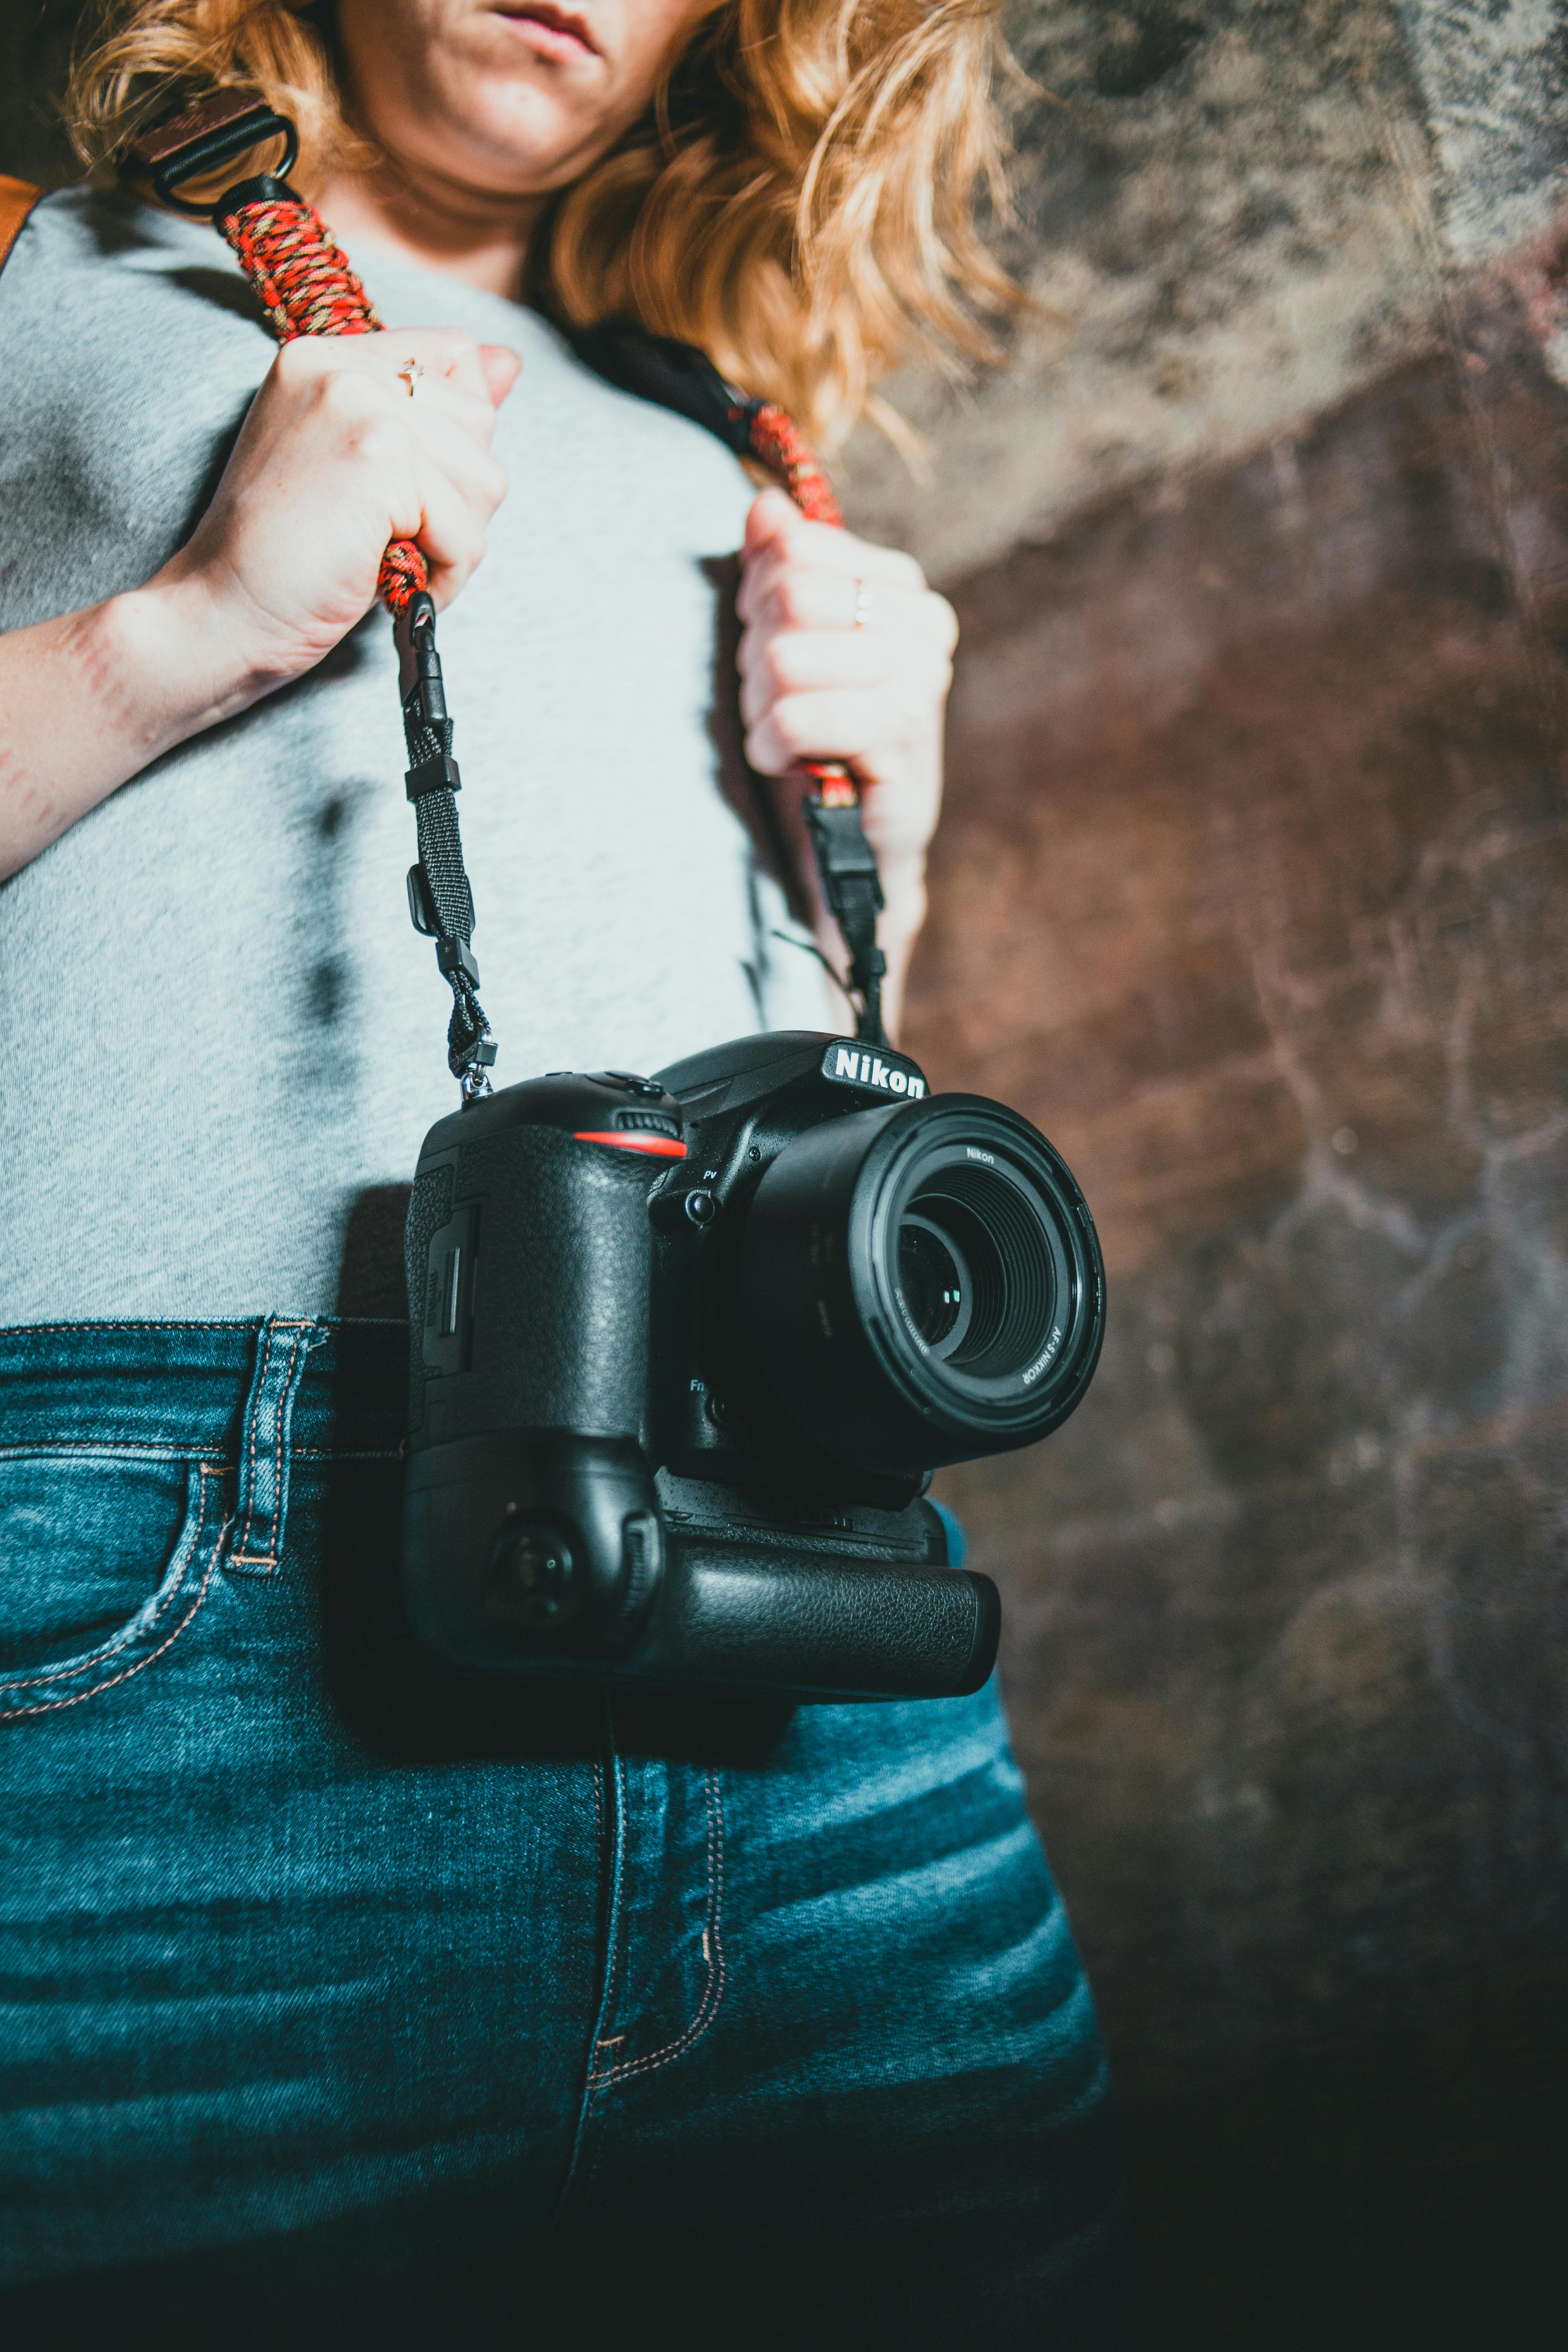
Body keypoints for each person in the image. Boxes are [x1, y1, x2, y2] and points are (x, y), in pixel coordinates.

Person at [0, 3, 1137, 2344]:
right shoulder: (32, 259)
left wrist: (889, 842)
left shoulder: (740, 429)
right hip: (167, 1659)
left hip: (814, 1629)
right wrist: (188, 629)